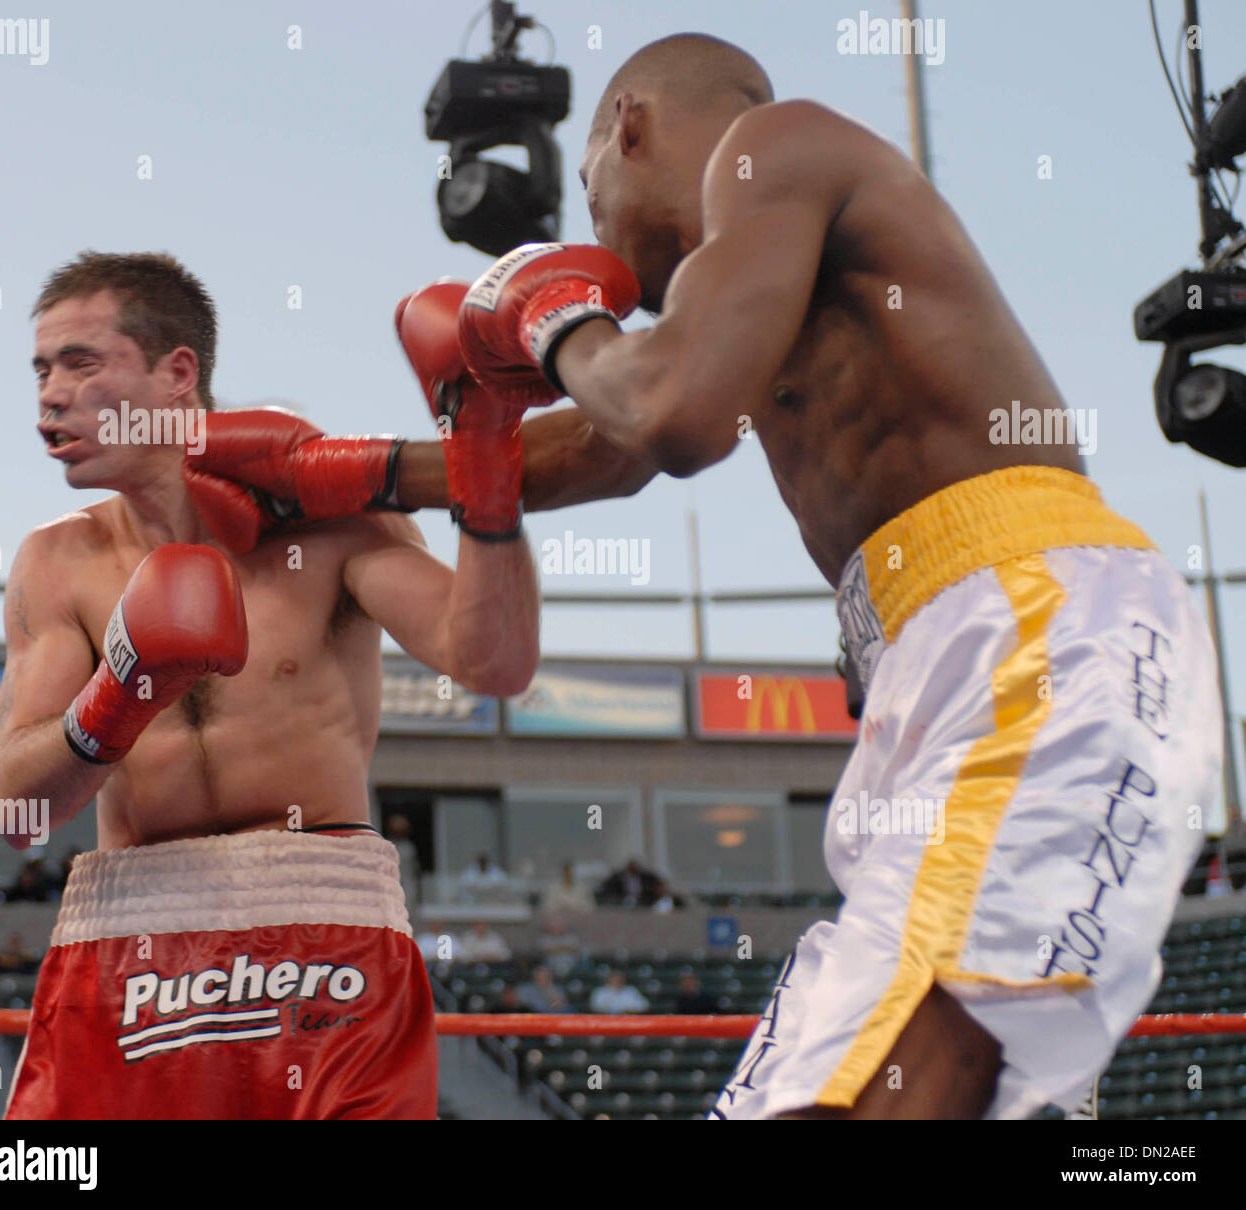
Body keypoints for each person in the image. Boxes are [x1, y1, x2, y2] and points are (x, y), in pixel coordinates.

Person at [451, 33, 1223, 1120]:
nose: (594, 232)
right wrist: (342, 475)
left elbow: (665, 412)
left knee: (876, 1089)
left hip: (1033, 629)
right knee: (800, 1094)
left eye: (588, 193)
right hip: (943, 670)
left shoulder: (777, 147)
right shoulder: (747, 305)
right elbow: (606, 443)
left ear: (630, 123)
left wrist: (545, 317)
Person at [0, 252, 541, 1120]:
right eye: (42, 369)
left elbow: (494, 662)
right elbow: (15, 815)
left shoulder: (332, 523)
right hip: (128, 946)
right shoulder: (58, 562)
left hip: (326, 939)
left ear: (178, 374)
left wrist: (485, 461)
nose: (50, 394)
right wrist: (116, 698)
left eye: (82, 363)